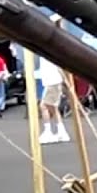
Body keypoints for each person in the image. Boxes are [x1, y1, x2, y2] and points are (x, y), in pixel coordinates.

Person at [37, 15, 71, 144]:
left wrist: (58, 21)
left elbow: (51, 29)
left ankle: (49, 132)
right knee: (52, 107)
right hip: (52, 80)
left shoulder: (50, 46)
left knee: (44, 106)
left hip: (52, 80)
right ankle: (61, 132)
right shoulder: (52, 47)